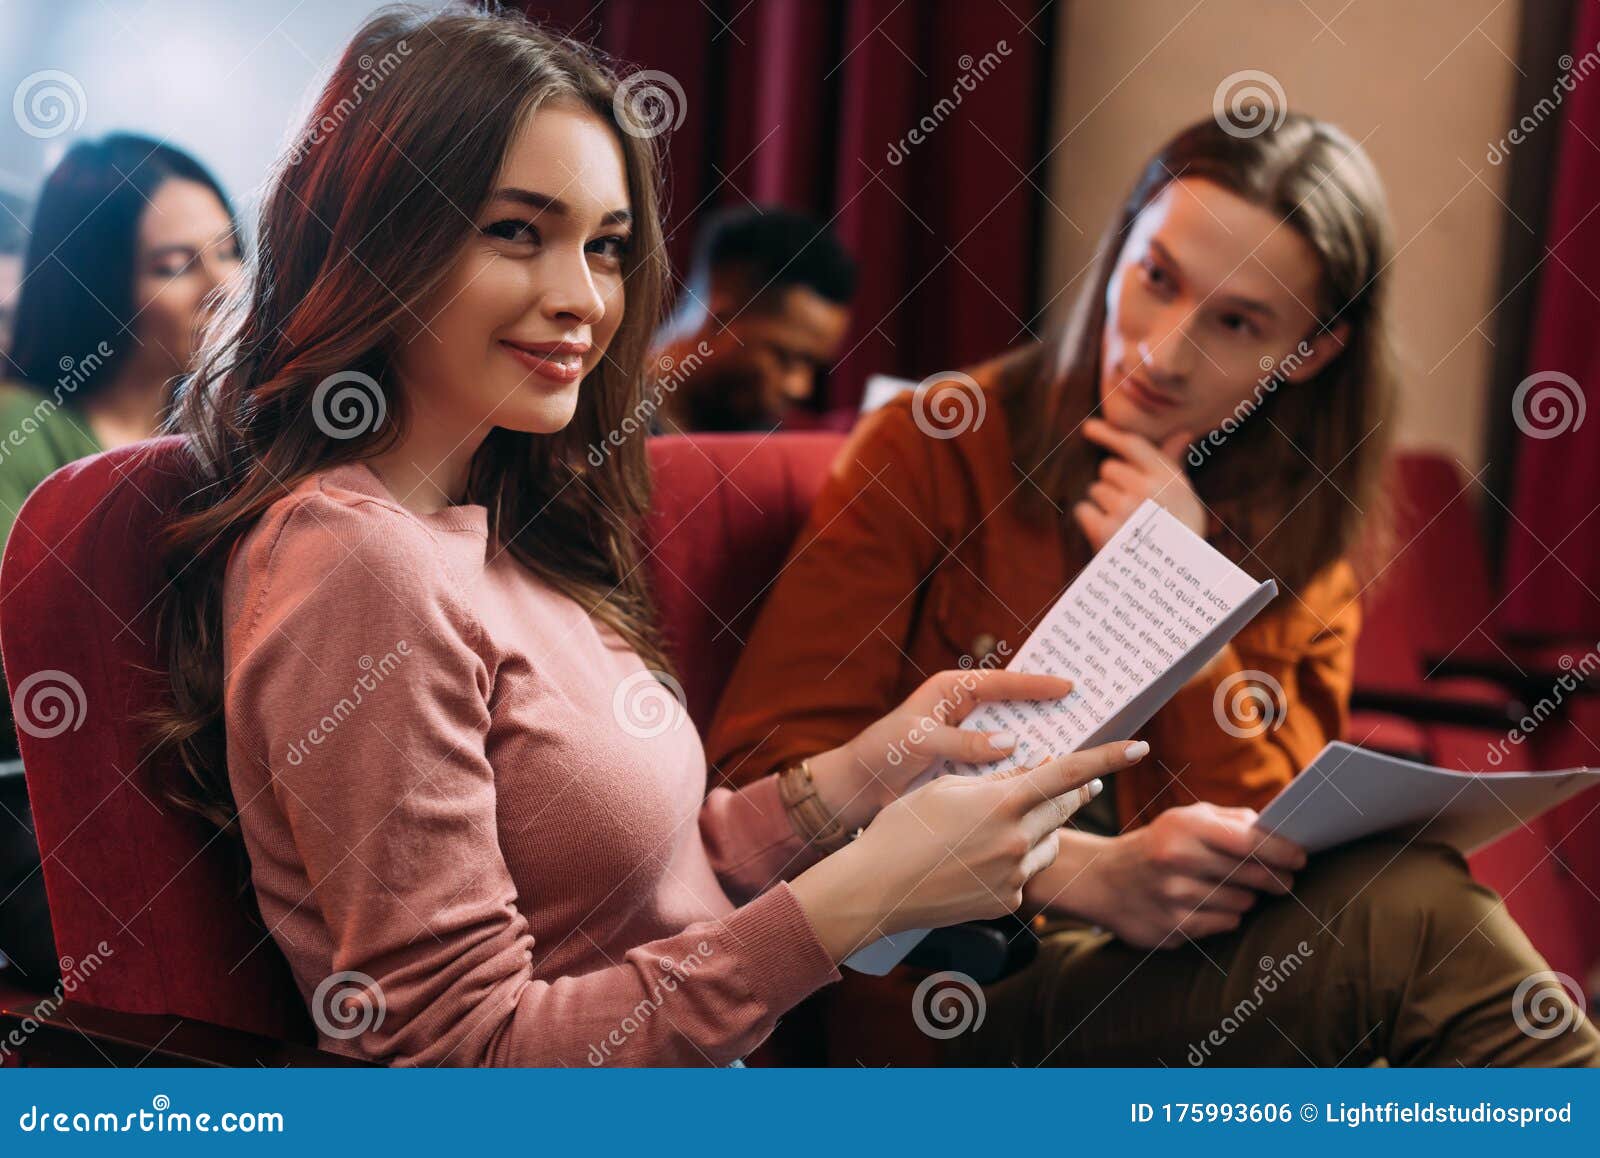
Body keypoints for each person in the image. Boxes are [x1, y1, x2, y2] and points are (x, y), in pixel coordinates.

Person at [149, 5, 1134, 1068]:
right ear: (376, 237)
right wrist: (859, 899)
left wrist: (859, 775)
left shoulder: (508, 520)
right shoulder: (358, 564)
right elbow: (462, 1063)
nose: (582, 299)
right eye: (515, 231)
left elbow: (647, 884)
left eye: (607, 247)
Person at [706, 112, 1600, 1066]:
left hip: (1185, 979)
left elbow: (1275, 842)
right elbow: (768, 776)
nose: (1161, 354)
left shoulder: (1304, 529)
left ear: (1310, 353)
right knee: (1422, 918)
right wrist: (1079, 873)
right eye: (1157, 279)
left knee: (1418, 908)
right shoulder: (937, 444)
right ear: (1119, 248)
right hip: (951, 1001)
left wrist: (1191, 602)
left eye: (1237, 322)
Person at [0, 134, 240, 988]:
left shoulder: (227, 441)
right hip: (60, 816)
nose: (225, 286)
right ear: (98, 284)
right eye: (178, 264)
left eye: (231, 249)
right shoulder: (20, 431)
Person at [650, 206, 855, 432]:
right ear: (724, 318)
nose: (799, 387)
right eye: (784, 357)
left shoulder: (758, 429)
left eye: (812, 365)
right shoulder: (613, 420)